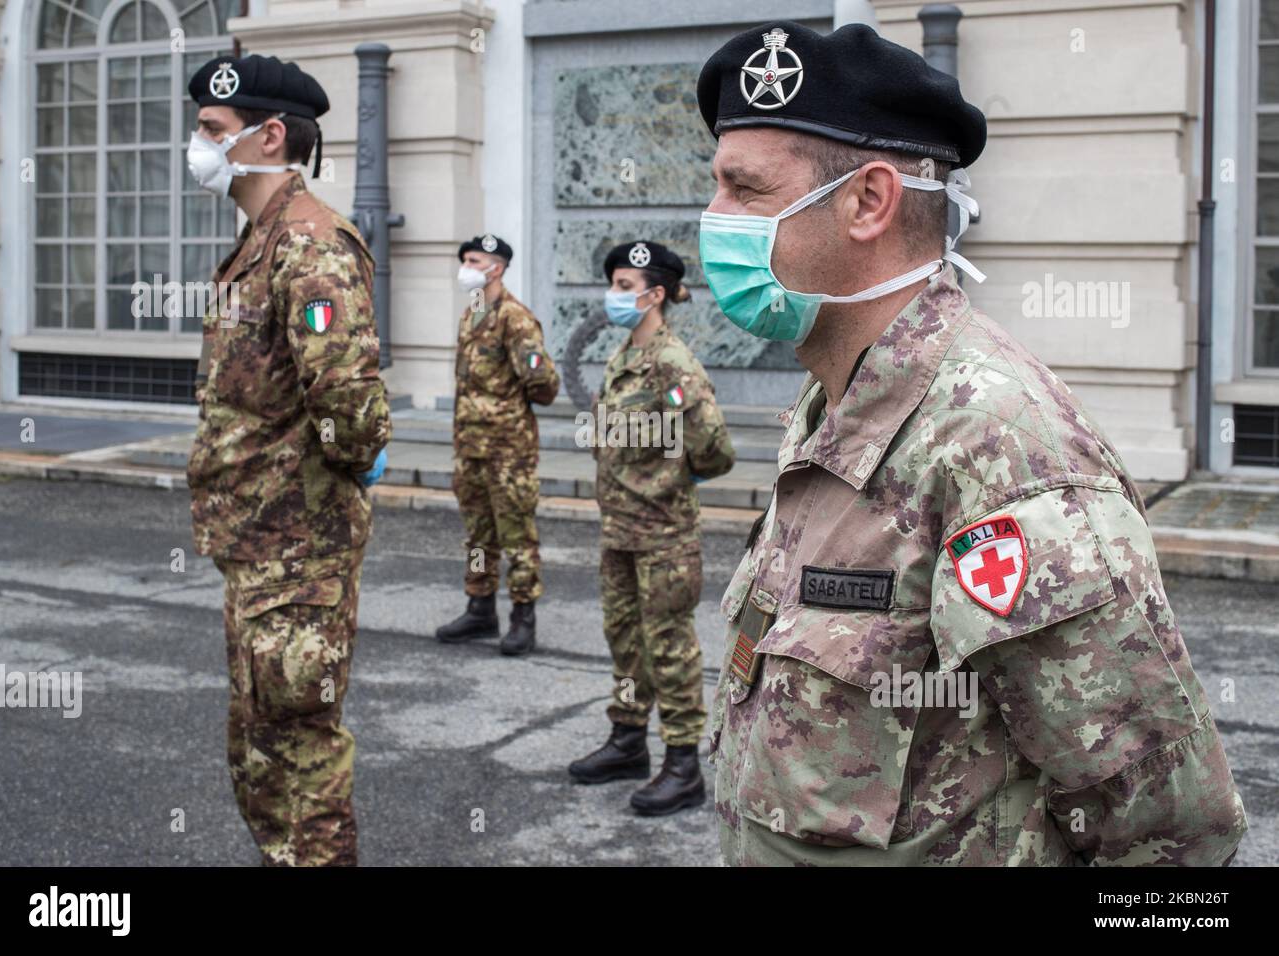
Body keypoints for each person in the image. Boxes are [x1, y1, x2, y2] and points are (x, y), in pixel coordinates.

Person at [695, 22, 1248, 864]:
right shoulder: (835, 402)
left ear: (868, 203)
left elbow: (1170, 832)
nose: (713, 219)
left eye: (745, 190)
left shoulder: (999, 449)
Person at [185, 55, 391, 866]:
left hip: (297, 551)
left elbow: (348, 404)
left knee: (300, 763)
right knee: (261, 757)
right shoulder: (261, 243)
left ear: (269, 136)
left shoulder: (309, 245)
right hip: (258, 547)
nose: (197, 146)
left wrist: (345, 465)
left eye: (212, 132)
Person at [567, 240, 736, 816]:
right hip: (618, 529)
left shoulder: (674, 364)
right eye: (612, 285)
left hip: (664, 534)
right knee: (625, 640)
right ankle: (627, 740)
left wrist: (666, 479)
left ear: (654, 295)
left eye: (622, 287)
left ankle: (683, 763)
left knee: (668, 647)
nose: (612, 297)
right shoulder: (622, 357)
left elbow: (714, 450)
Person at [435, 235, 560, 656]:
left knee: (516, 534)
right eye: (465, 259)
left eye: (475, 260)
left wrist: (507, 404)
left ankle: (523, 616)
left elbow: (544, 384)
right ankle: (480, 607)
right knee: (478, 534)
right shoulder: (471, 315)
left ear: (497, 268)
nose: (466, 266)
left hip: (508, 451)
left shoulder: (515, 318)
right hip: (470, 447)